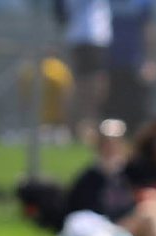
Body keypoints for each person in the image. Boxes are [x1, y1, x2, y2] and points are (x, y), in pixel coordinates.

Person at [59, 0, 112, 141]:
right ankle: (81, 127)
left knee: (87, 86)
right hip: (89, 35)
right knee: (91, 88)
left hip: (83, 36)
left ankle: (80, 127)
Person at [102, 0, 156, 131]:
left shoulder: (142, 3)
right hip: (108, 64)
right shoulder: (103, 3)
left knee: (137, 111)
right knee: (111, 112)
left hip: (135, 64)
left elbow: (148, 30)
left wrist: (151, 61)